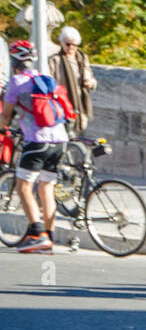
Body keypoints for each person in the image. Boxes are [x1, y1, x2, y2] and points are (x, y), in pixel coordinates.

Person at [0, 39, 71, 253]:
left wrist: (3, 127)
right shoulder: (46, 77)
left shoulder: (17, 81)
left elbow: (6, 114)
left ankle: (37, 232)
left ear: (14, 61)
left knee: (23, 187)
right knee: (46, 188)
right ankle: (48, 238)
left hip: (37, 141)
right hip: (60, 140)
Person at [48, 26, 96, 138]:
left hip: (80, 102)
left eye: (74, 45)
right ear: (62, 43)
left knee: (80, 134)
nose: (71, 47)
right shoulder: (55, 60)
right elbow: (49, 79)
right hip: (62, 102)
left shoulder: (82, 58)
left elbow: (90, 76)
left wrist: (90, 82)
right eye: (68, 44)